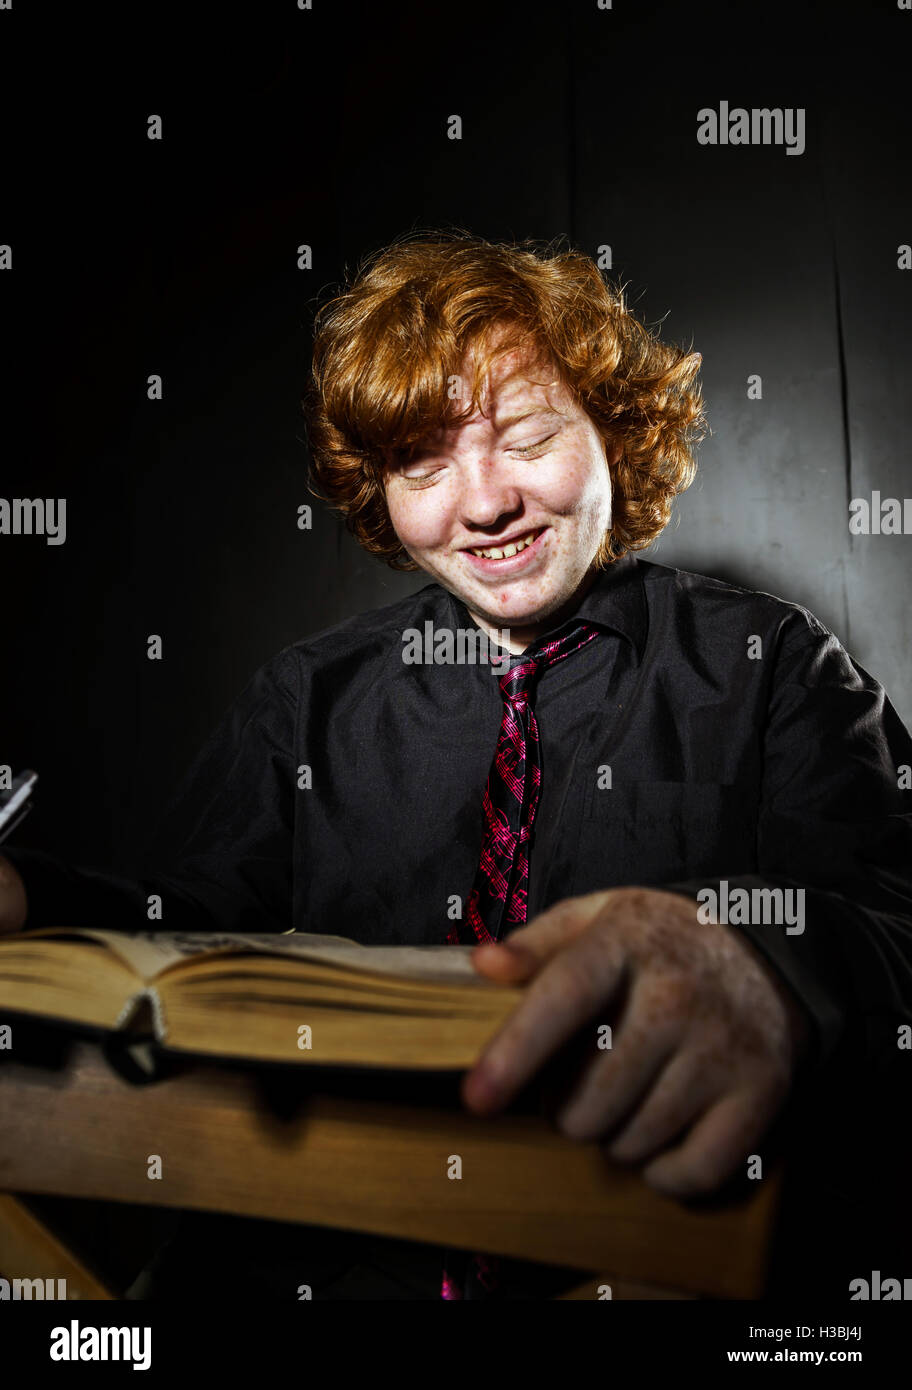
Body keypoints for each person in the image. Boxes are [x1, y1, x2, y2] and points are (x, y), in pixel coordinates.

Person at [2, 231, 910, 1300]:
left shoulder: (775, 665)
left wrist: (767, 962)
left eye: (525, 435)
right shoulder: (306, 698)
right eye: (422, 463)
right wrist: (25, 896)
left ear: (613, 429)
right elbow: (180, 933)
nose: (483, 505)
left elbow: (894, 921)